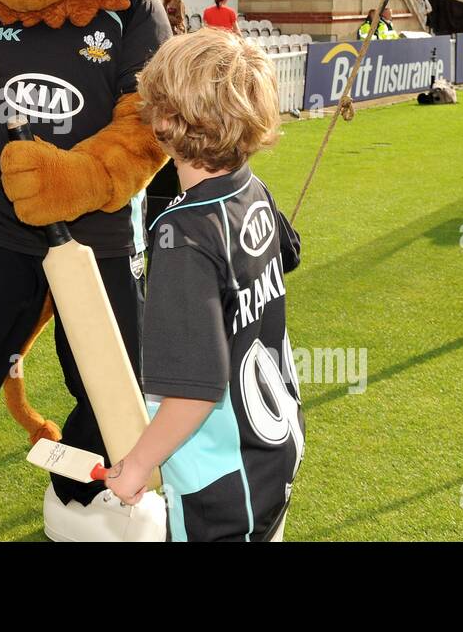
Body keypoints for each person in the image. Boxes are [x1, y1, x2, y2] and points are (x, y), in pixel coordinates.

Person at [106, 28, 302, 541]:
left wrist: (135, 465)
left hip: (223, 477)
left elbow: (196, 390)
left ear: (168, 121)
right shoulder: (251, 187)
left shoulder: (181, 233)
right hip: (274, 450)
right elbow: (290, 251)